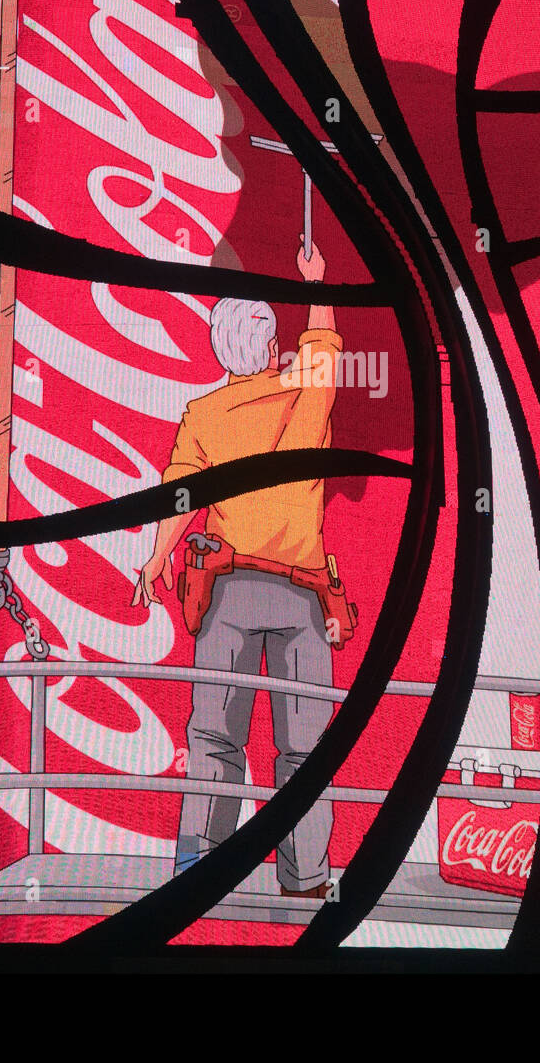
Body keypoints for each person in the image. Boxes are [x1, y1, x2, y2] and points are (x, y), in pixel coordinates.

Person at [132, 239, 341, 898]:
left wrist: (158, 557)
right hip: (303, 593)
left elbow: (179, 495)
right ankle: (304, 876)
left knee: (215, 735)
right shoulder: (305, 390)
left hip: (226, 593)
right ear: (273, 343)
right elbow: (326, 346)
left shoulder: (203, 415)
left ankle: (202, 869)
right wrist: (318, 281)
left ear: (221, 350)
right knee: (304, 748)